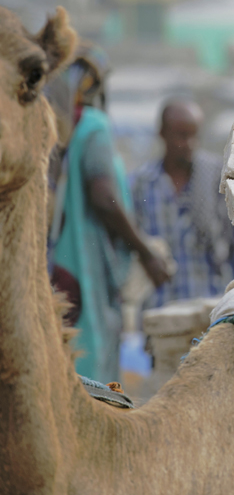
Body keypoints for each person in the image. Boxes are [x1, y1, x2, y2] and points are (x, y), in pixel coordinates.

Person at [49, 45, 170, 382]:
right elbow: (105, 199)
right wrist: (143, 249)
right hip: (84, 265)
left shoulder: (57, 128)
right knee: (89, 356)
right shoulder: (93, 126)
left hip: (56, 264)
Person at [131, 99, 234, 307]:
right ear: (163, 134)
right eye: (182, 136)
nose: (190, 144)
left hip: (209, 305)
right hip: (159, 309)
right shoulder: (143, 184)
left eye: (194, 135)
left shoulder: (216, 179)